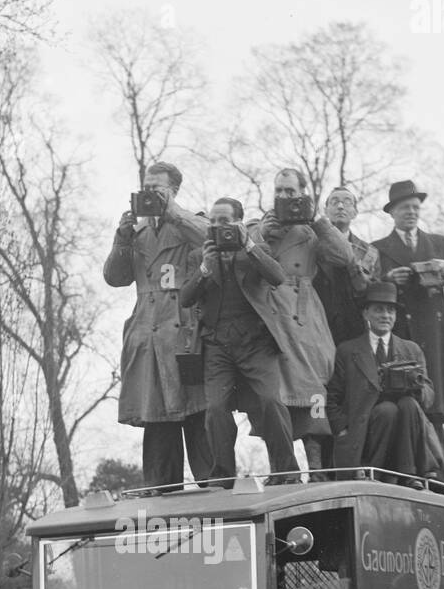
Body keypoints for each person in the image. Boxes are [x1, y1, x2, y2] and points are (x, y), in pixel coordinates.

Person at [103, 160, 212, 491]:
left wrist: (172, 212)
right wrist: (121, 240)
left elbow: (211, 240)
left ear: (174, 190)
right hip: (148, 337)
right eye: (146, 187)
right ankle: (160, 498)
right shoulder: (137, 233)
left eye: (157, 188)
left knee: (198, 417)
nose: (150, 193)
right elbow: (115, 278)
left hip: (185, 336)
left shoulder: (192, 222)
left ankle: (217, 495)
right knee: (158, 421)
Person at [179, 198, 298, 489]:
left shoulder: (256, 251)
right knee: (216, 409)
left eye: (226, 221)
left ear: (240, 223)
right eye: (214, 222)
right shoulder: (199, 256)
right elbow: (185, 298)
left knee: (271, 402)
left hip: (256, 343)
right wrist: (205, 268)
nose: (219, 227)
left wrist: (249, 246)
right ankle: (222, 477)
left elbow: (278, 277)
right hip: (217, 345)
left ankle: (287, 471)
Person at [248, 167, 354, 471]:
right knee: (272, 398)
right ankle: (282, 472)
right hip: (269, 318)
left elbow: (344, 257)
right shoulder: (259, 225)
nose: (284, 197)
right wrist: (260, 235)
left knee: (312, 393)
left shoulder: (310, 231)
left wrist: (318, 220)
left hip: (305, 319)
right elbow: (243, 262)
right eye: (279, 191)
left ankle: (318, 471)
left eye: (291, 192)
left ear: (302, 194)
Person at [372, 179, 444, 471]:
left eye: (415, 207)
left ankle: (440, 475)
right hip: (400, 336)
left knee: (436, 407)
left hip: (436, 337)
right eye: (405, 208)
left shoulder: (440, 244)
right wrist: (389, 281)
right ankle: (409, 473)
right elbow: (369, 293)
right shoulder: (378, 249)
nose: (411, 213)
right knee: (405, 404)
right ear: (392, 213)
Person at [326, 282, 443, 482]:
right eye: (378, 310)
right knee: (387, 410)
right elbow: (331, 398)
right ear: (365, 313)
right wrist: (343, 429)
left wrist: (417, 388)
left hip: (407, 431)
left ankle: (409, 474)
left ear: (396, 316)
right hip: (364, 436)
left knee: (408, 404)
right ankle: (375, 471)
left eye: (390, 311)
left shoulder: (411, 350)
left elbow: (429, 397)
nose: (385, 316)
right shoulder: (347, 351)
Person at [315, 186, 381, 346]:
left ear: (355, 212)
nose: (340, 206)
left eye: (347, 202)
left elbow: (375, 296)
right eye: (334, 202)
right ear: (326, 210)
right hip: (317, 326)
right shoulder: (312, 245)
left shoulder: (369, 252)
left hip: (354, 330)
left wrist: (364, 285)